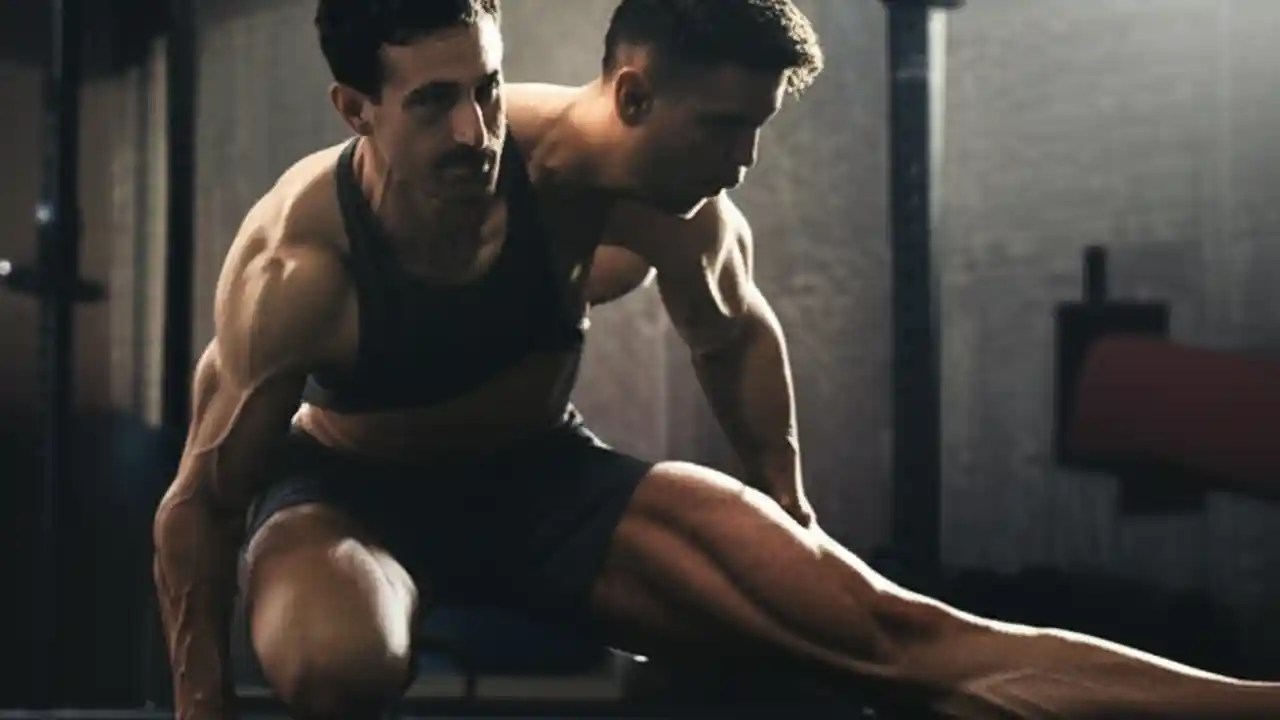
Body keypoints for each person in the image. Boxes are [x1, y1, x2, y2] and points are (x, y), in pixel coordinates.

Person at [151, 1, 1280, 718]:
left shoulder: (648, 191)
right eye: (433, 103)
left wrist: (789, 514)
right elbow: (199, 503)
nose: (472, 131)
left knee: (887, 632)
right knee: (334, 668)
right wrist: (200, 706)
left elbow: (731, 333)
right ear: (357, 109)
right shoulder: (299, 261)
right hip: (349, 498)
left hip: (542, 478)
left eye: (485, 89)